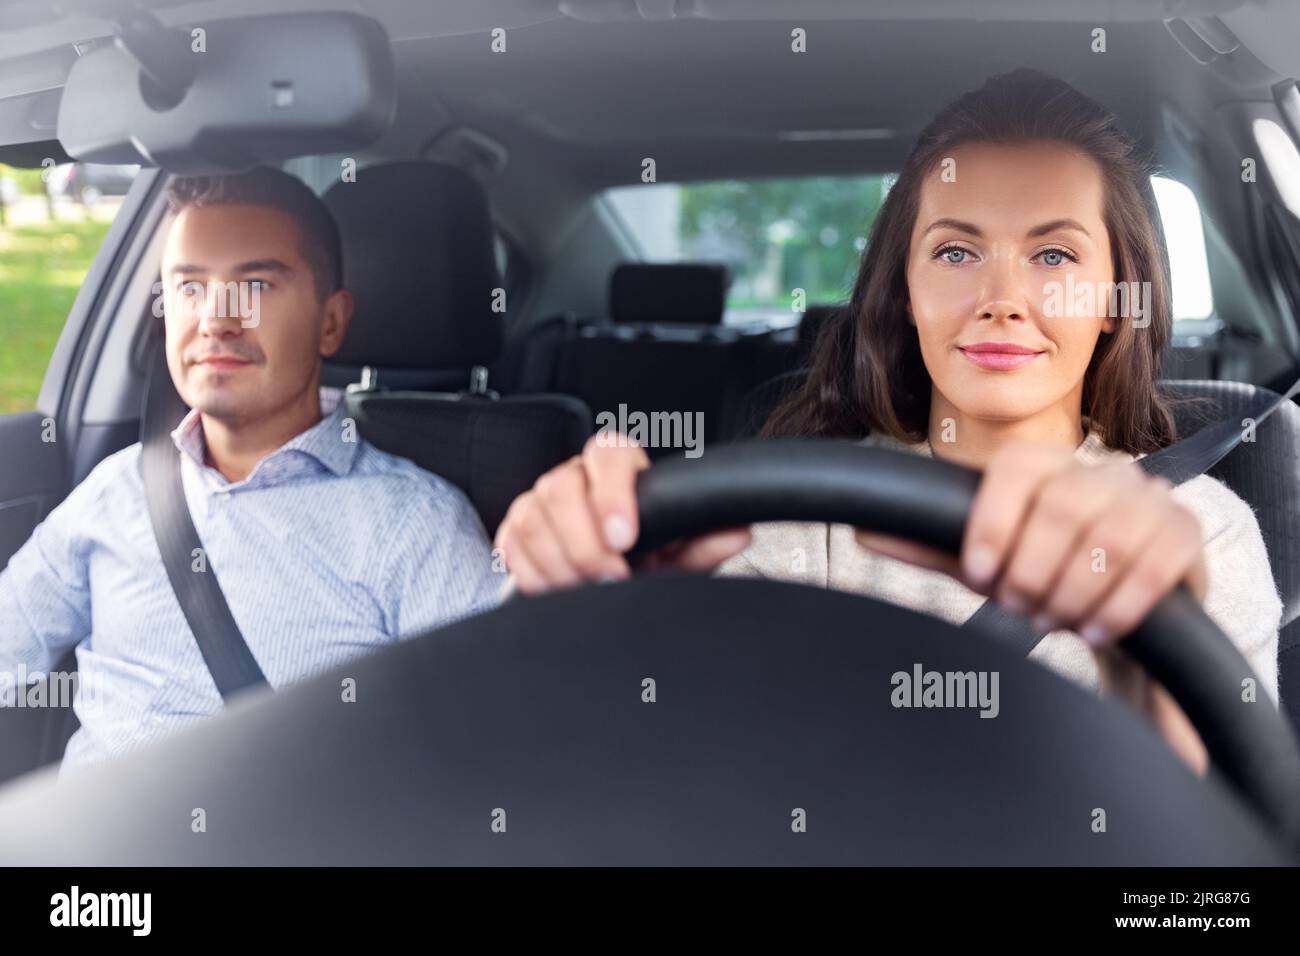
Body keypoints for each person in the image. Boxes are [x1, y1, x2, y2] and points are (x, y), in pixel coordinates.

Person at [493, 68, 1284, 775]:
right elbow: (638, 780)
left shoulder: (1199, 535)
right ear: (903, 290)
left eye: (1053, 257)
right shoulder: (798, 522)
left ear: (1117, 299)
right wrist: (585, 607)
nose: (1001, 298)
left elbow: (1208, 902)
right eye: (954, 253)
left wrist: (1159, 688)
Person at [0, 167, 500, 770]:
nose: (216, 319)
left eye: (256, 285)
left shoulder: (415, 523)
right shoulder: (115, 491)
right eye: (189, 288)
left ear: (331, 322)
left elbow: (491, 752)